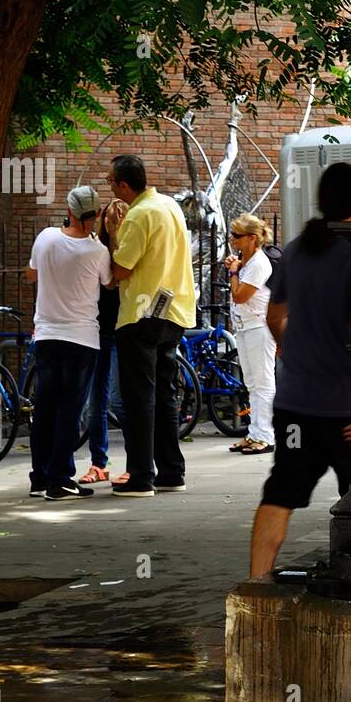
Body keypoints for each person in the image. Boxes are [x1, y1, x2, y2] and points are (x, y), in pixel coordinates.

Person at [249, 163, 351, 578]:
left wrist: (292, 347)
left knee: (281, 490)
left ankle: (257, 581)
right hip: (342, 408)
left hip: (295, 400)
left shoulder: (296, 249)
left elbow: (274, 315)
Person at [106, 154, 196, 498]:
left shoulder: (139, 215)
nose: (110, 188)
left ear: (123, 185)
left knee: (138, 397)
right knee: (165, 393)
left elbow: (120, 270)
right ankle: (172, 471)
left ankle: (141, 475)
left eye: (110, 182)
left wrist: (114, 233)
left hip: (140, 314)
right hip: (174, 310)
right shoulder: (169, 205)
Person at [26, 186, 112, 500]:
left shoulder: (45, 238)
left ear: (70, 211)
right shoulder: (97, 250)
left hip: (47, 335)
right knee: (69, 410)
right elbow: (110, 282)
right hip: (81, 339)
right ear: (96, 214)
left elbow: (31, 275)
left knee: (45, 408)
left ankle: (40, 477)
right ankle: (60, 480)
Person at [79, 200, 129, 485]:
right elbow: (107, 281)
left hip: (125, 331)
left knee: (122, 400)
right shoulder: (96, 249)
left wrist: (118, 234)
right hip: (99, 331)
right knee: (96, 401)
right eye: (112, 214)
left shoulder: (131, 246)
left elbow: (120, 274)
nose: (116, 218)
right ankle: (100, 463)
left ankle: (139, 462)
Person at [225, 213, 276, 455]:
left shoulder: (259, 264)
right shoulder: (247, 261)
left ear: (253, 238)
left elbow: (240, 295)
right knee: (252, 383)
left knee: (263, 383)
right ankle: (255, 432)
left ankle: (265, 435)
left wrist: (234, 272)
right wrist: (236, 267)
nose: (232, 239)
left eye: (237, 235)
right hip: (245, 327)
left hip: (258, 327)